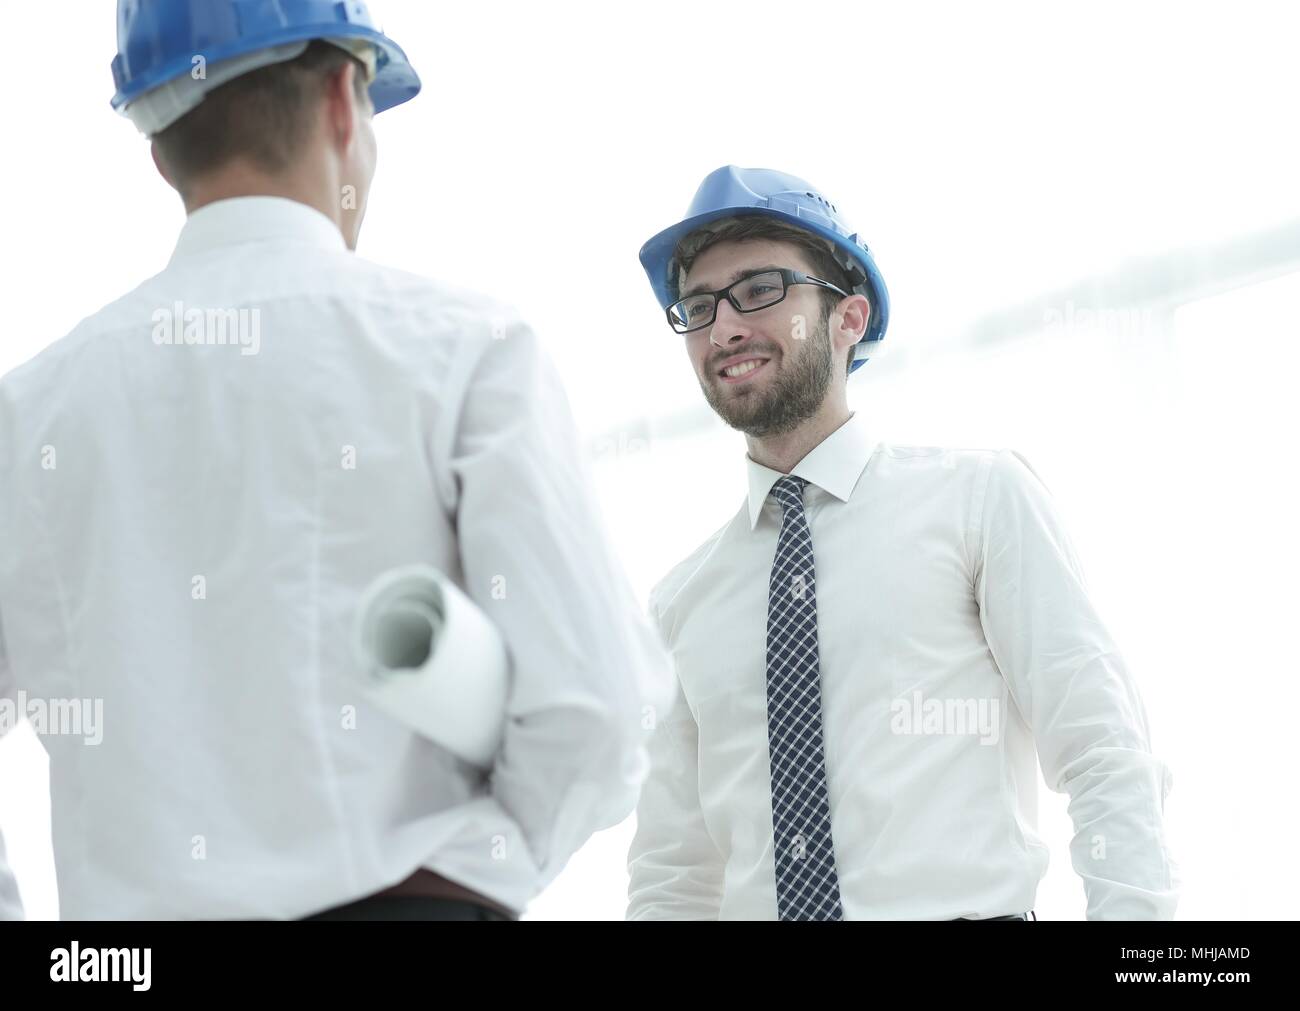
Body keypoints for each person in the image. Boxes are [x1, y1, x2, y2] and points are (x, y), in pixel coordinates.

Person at [0, 0, 671, 921]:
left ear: (158, 148)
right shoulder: (467, 349)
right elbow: (597, 711)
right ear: (345, 101)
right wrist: (456, 876)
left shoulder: (26, 412)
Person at [625, 165, 1180, 920]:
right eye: (698, 306)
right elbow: (673, 875)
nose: (723, 327)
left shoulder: (980, 500)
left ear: (847, 318)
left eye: (758, 290)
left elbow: (1104, 752)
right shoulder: (679, 603)